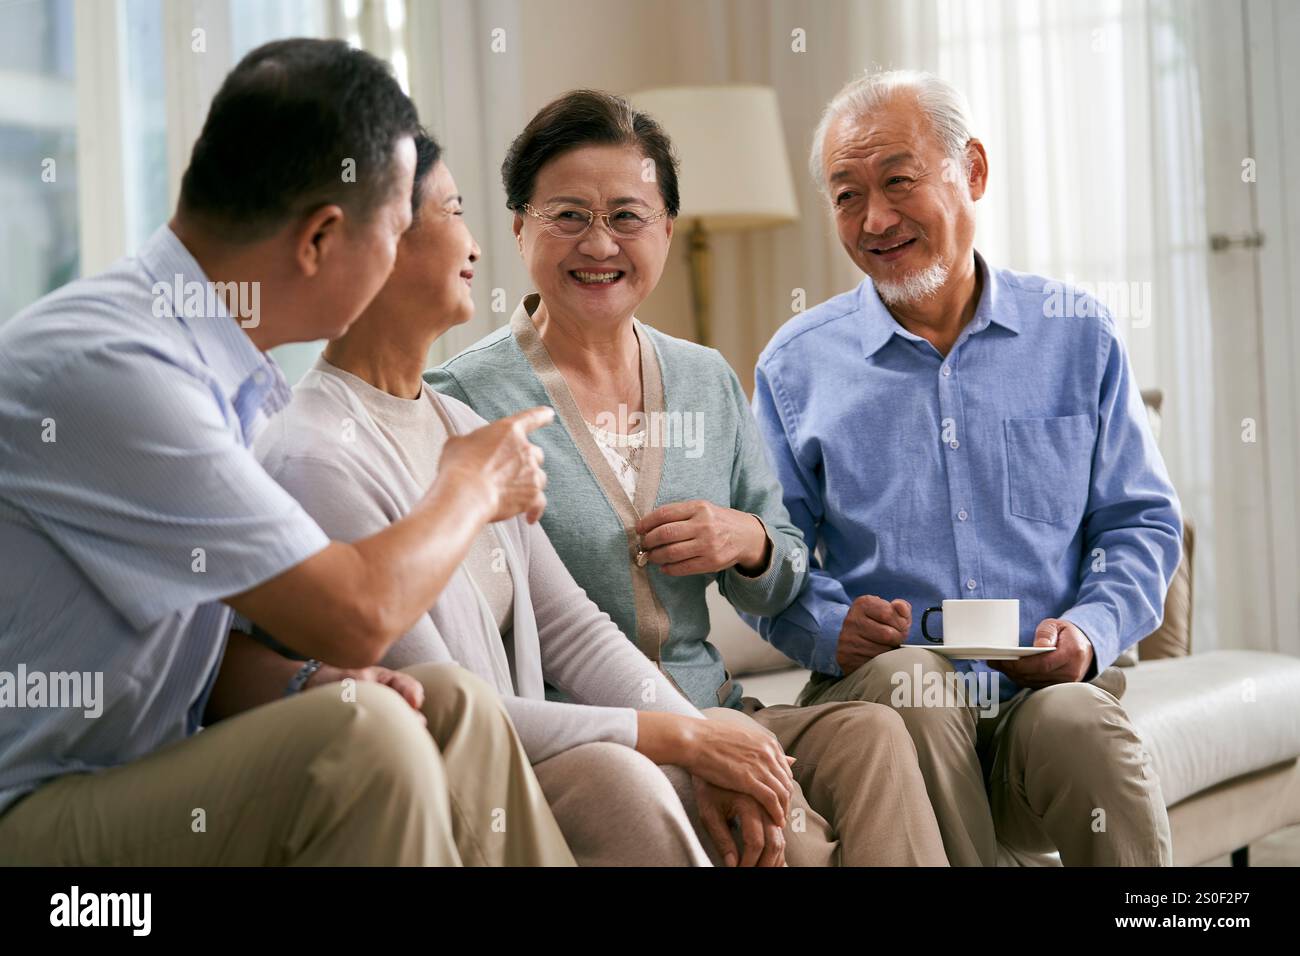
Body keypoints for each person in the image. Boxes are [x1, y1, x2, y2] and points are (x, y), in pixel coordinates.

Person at [0, 38, 572, 866]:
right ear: (320, 239)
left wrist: (306, 683)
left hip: (136, 772)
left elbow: (198, 661)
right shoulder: (115, 368)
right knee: (364, 739)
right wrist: (472, 483)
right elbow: (356, 615)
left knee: (445, 703)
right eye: (397, 228)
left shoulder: (217, 369)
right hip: (30, 811)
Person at [246, 129, 823, 867]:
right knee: (621, 781)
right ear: (372, 247)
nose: (475, 245)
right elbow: (449, 714)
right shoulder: (318, 454)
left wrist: (703, 744)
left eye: (626, 216)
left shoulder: (461, 424)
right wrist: (684, 738)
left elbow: (571, 629)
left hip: (529, 759)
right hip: (455, 788)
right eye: (452, 212)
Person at [426, 89, 948, 867]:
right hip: (604, 741)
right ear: (518, 226)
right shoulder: (464, 399)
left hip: (723, 710)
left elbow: (782, 578)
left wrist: (752, 544)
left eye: (627, 217)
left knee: (872, 732)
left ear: (667, 229)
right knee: (792, 845)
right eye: (568, 215)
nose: (599, 244)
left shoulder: (704, 378)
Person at [748, 69, 1182, 866]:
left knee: (1080, 724)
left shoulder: (1077, 335)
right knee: (914, 678)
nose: (874, 218)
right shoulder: (795, 368)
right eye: (847, 195)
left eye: (898, 182)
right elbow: (768, 558)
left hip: (1037, 701)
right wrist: (829, 626)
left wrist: (1088, 634)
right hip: (886, 703)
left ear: (972, 170)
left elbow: (1140, 523)